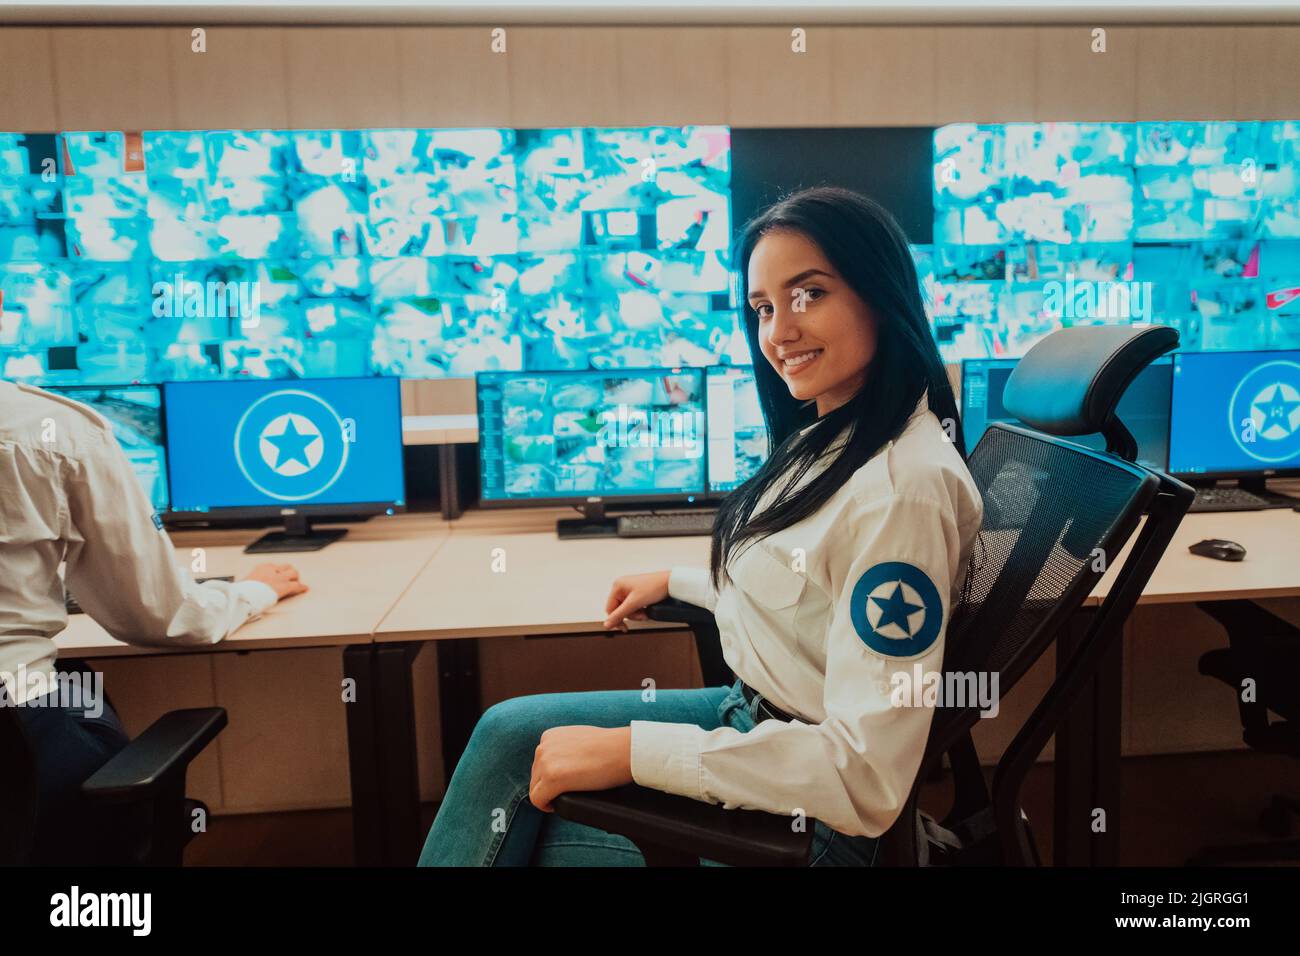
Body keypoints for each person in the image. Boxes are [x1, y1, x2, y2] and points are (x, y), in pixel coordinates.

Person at [418, 186, 984, 866]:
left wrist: (637, 752)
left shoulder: (903, 492)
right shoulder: (839, 429)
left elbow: (865, 777)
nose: (778, 332)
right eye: (763, 308)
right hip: (752, 718)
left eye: (808, 295)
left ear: (880, 293)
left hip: (812, 819)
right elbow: (811, 596)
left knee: (519, 825)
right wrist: (686, 582)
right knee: (507, 734)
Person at [0, 380, 308, 863]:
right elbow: (164, 617)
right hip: (18, 735)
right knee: (78, 691)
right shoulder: (56, 430)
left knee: (77, 683)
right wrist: (254, 591)